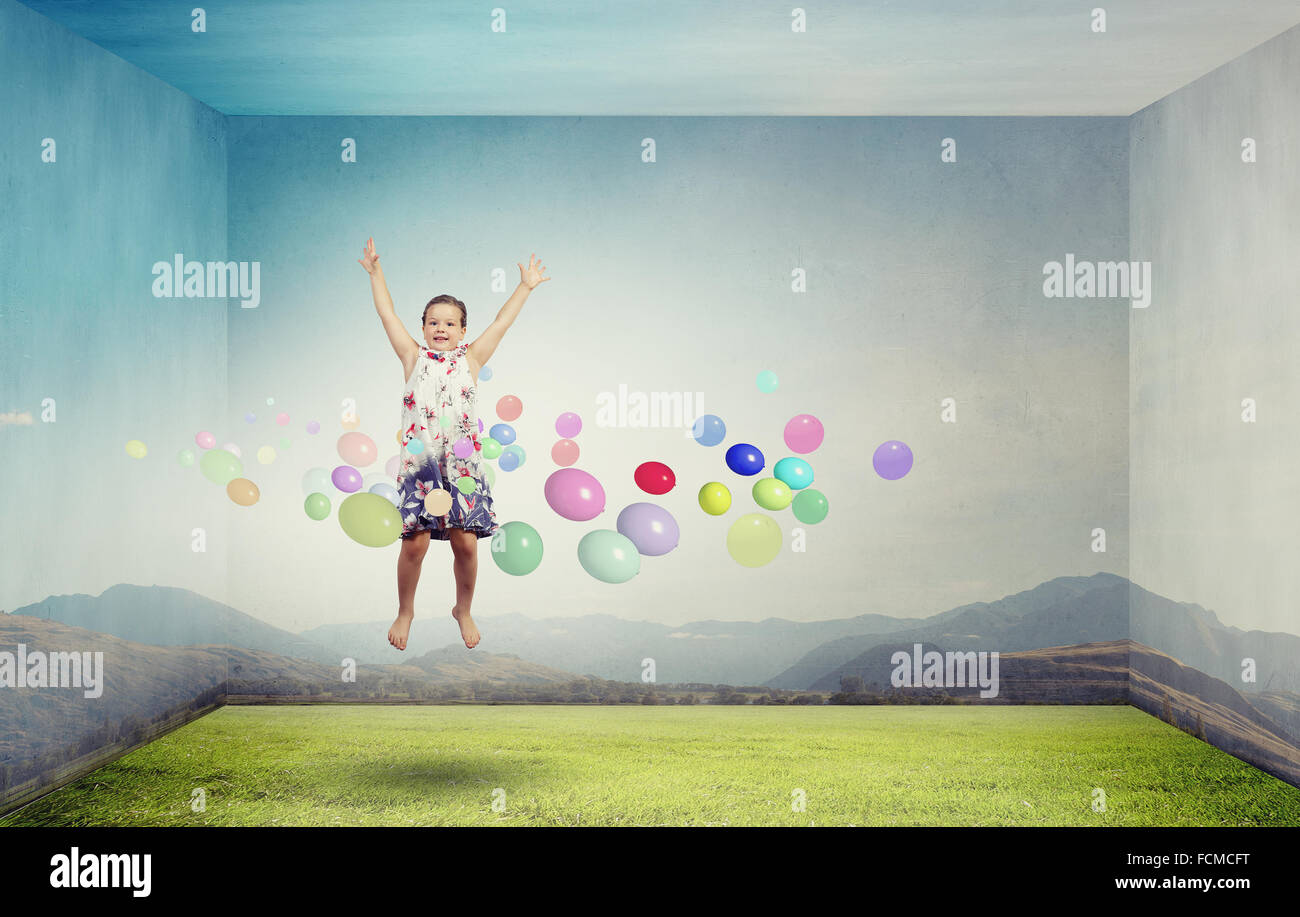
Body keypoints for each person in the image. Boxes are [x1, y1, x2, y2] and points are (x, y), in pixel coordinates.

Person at [358, 237, 550, 650]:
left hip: (463, 468)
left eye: (449, 323)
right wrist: (377, 274)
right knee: (416, 544)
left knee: (465, 541)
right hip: (421, 467)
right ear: (423, 328)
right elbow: (386, 313)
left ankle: (462, 608)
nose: (440, 328)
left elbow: (501, 323)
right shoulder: (413, 358)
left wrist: (525, 287)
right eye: (433, 322)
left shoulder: (472, 359)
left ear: (462, 331)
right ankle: (405, 611)